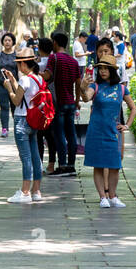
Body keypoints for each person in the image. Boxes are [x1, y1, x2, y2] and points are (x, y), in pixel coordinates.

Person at [79, 54, 135, 208]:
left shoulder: (122, 88)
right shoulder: (95, 86)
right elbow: (85, 98)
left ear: (112, 70)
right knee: (98, 165)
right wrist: (83, 88)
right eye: (100, 68)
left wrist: (127, 125)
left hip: (113, 132)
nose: (103, 71)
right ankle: (102, 197)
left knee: (114, 165)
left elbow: (133, 108)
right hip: (96, 131)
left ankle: (113, 196)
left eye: (106, 68)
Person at [1, 47, 45, 203]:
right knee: (35, 156)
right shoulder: (38, 78)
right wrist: (13, 80)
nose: (18, 67)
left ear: (23, 64)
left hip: (22, 121)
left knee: (25, 157)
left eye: (19, 64)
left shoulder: (25, 79)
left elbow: (16, 100)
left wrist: (8, 87)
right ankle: (36, 191)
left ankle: (25, 192)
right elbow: (26, 95)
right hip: (34, 121)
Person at [45, 31, 81, 177]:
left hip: (58, 103)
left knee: (59, 134)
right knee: (71, 133)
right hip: (70, 103)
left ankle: (62, 166)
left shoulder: (53, 58)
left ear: (55, 42)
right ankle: (71, 166)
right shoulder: (74, 61)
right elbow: (78, 83)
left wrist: (35, 73)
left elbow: (47, 75)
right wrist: (77, 101)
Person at [36, 37, 59, 175]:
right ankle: (51, 164)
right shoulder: (54, 61)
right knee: (51, 135)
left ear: (39, 48)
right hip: (53, 100)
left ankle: (39, 163)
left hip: (40, 101)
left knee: (39, 134)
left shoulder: (37, 65)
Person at [0, 33, 19, 137]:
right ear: (2, 42)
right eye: (5, 40)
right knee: (4, 107)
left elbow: (19, 72)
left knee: (15, 107)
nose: (7, 42)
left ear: (13, 42)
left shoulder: (17, 56)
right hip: (1, 85)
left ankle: (17, 128)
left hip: (14, 86)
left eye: (9, 40)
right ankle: (4, 129)